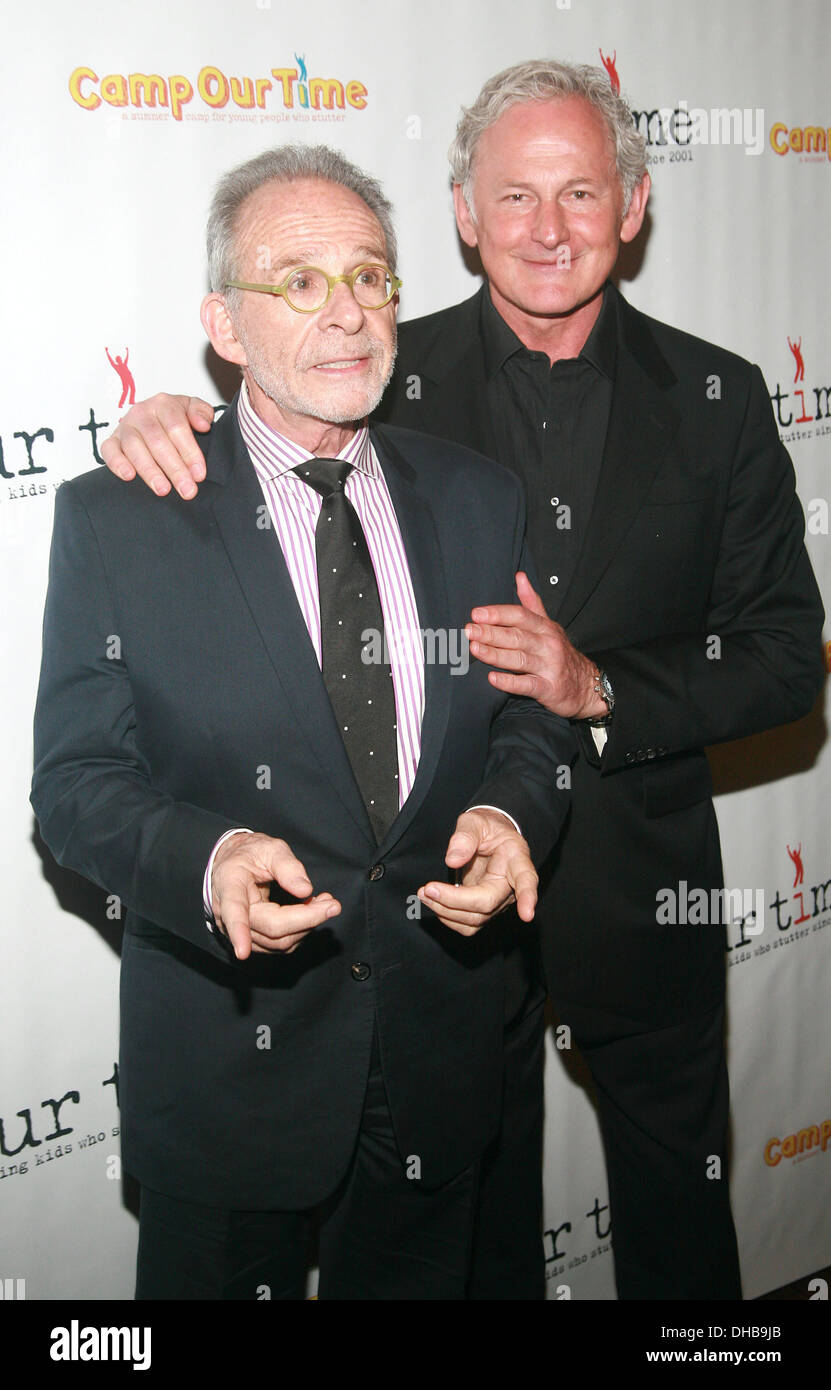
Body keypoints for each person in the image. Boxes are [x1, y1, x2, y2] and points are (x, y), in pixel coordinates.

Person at [98, 62, 825, 1301]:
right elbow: (266, 448)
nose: (549, 229)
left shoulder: (719, 398)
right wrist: (165, 419)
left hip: (638, 896)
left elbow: (780, 655)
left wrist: (600, 687)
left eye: (582, 192)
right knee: (472, 1252)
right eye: (516, 196)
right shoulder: (370, 370)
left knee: (681, 1233)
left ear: (635, 205)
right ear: (463, 213)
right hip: (431, 926)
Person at [31, 144, 576, 1301]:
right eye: (300, 282)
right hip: (232, 1058)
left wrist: (510, 808)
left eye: (370, 277)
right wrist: (209, 857)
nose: (348, 313)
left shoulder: (480, 498)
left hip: (441, 1046)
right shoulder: (119, 519)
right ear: (224, 325)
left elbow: (530, 718)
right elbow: (74, 782)